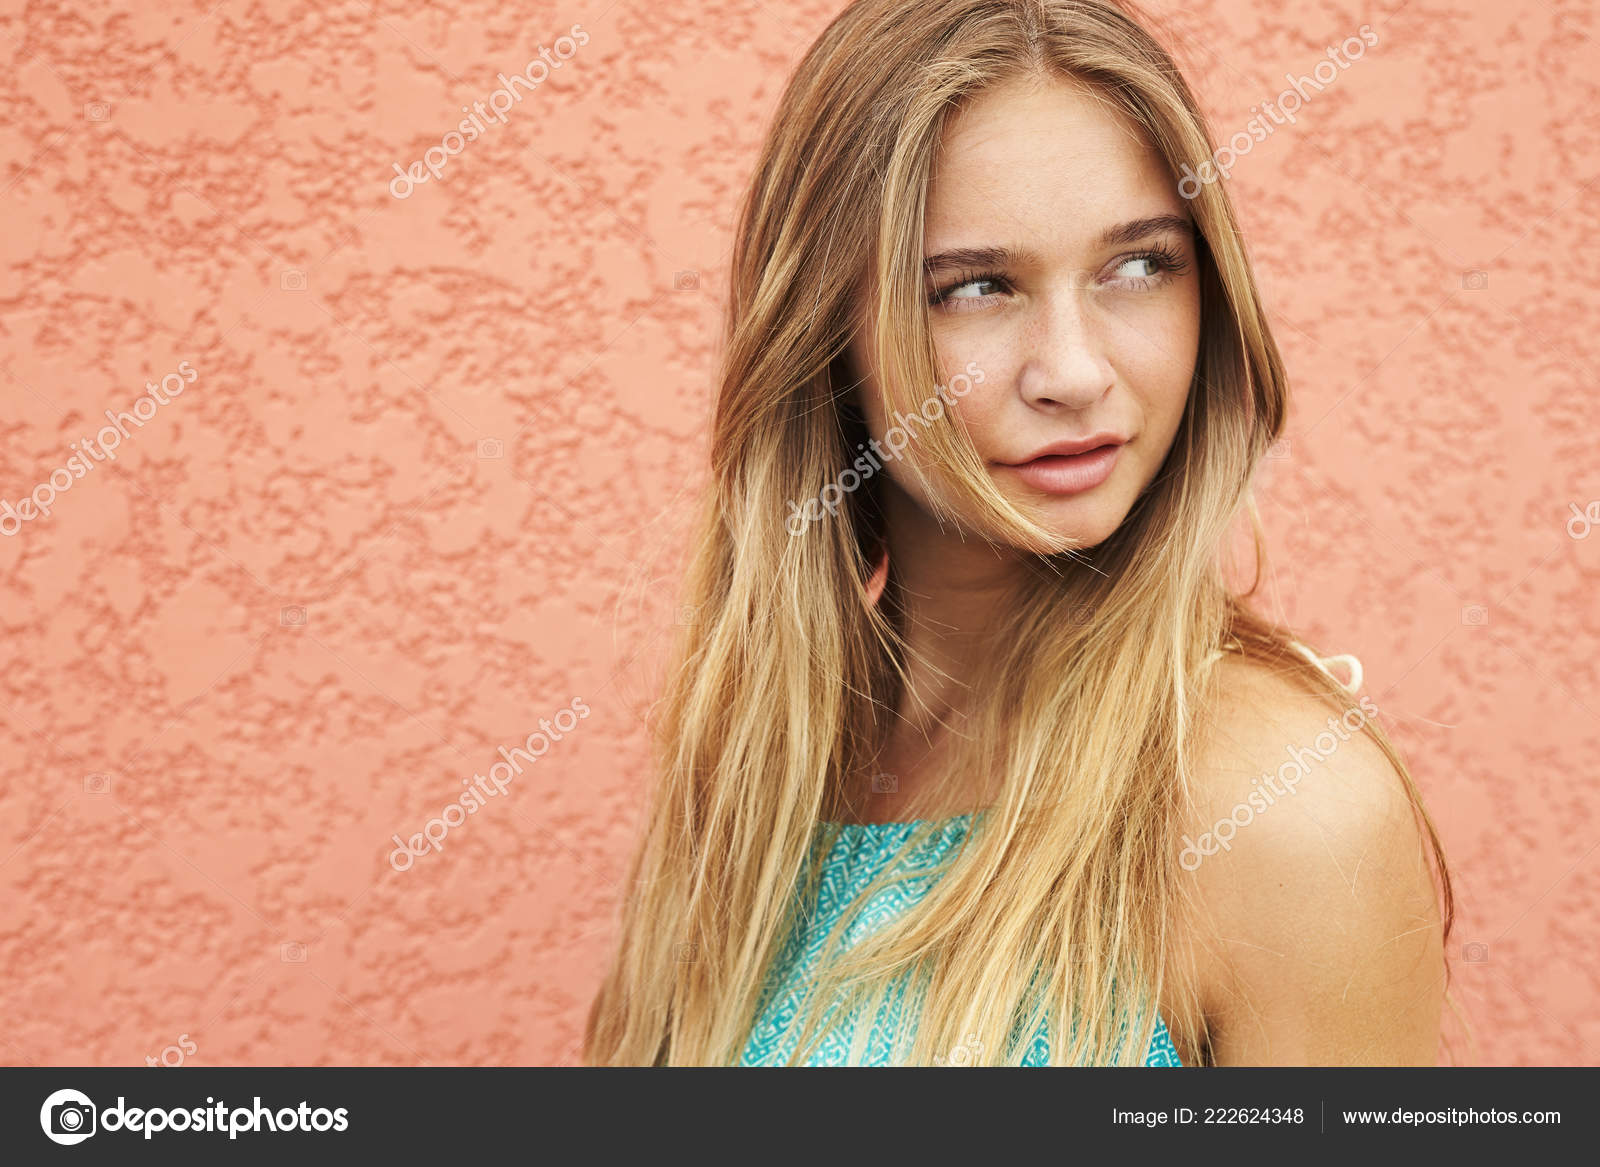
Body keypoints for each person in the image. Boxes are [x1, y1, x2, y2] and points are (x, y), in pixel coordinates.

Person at [583, 0, 1453, 1066]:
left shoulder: (1283, 812)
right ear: (824, 331)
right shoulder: (769, 770)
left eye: (1137, 265)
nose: (1075, 372)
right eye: (977, 288)